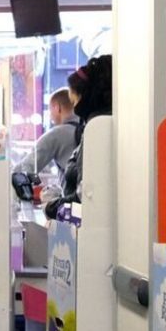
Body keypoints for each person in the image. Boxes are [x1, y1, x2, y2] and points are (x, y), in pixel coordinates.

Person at [45, 54, 113, 219]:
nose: (74, 108)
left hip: (90, 235)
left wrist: (52, 207)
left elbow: (83, 206)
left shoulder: (96, 133)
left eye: (74, 101)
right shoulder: (108, 126)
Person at [13, 87, 79, 177]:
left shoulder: (56, 134)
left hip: (73, 191)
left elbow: (26, 167)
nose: (50, 115)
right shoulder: (88, 128)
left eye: (50, 109)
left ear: (57, 108)